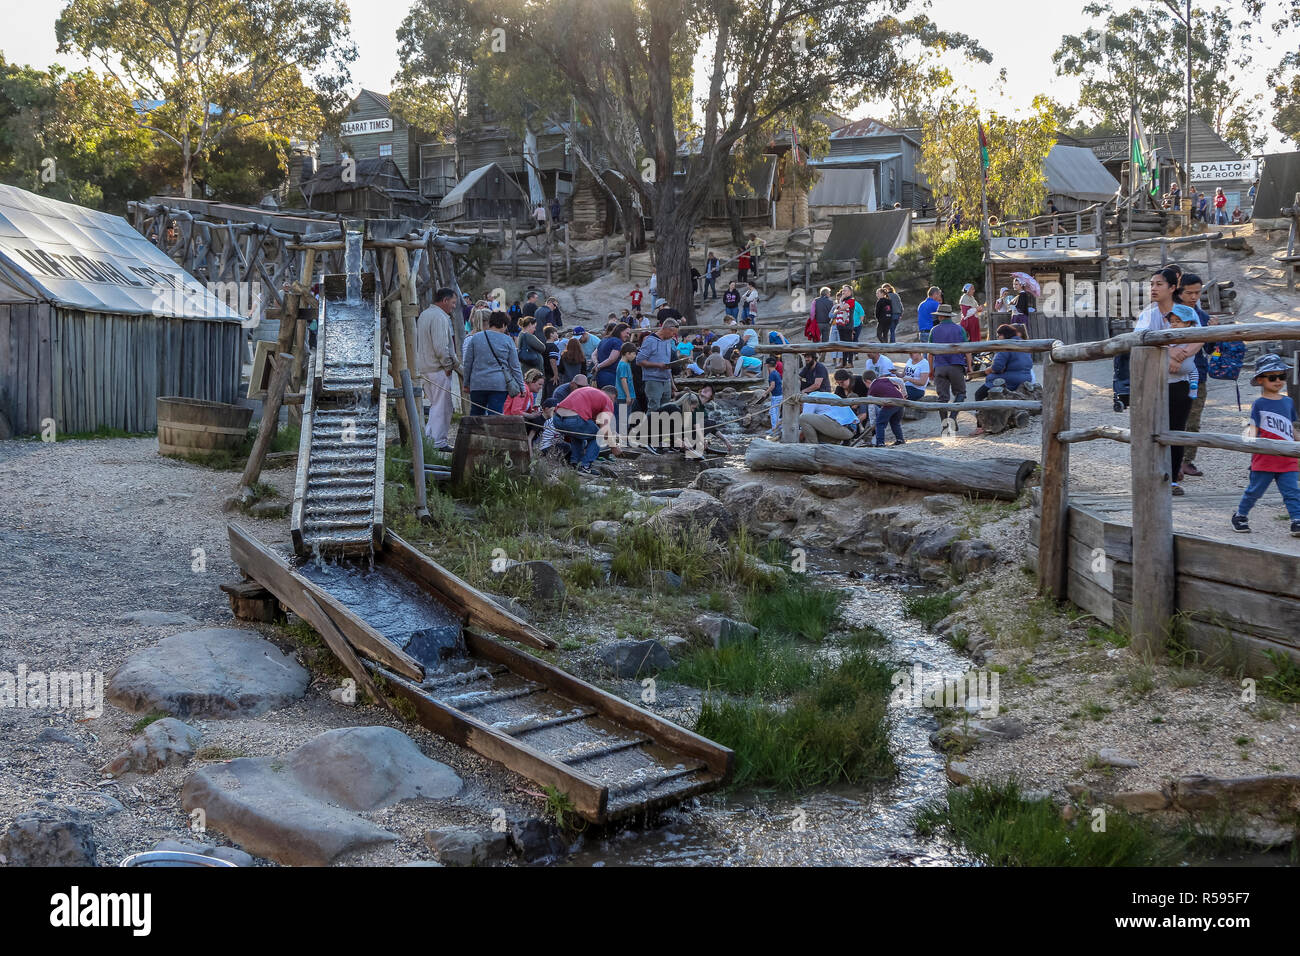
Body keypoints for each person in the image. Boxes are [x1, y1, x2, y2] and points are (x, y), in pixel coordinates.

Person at [1231, 354, 1300, 535]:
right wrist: (1249, 440)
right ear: (1261, 380)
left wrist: (1297, 444)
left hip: (1287, 456)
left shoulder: (1288, 402)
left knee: (1292, 491)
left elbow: (1291, 426)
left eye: (1282, 376)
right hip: (1265, 457)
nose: (1278, 381)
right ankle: (1240, 515)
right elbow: (1253, 426)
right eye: (1272, 377)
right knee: (1255, 490)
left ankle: (1297, 520)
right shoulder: (1259, 403)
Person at [413, 287, 464, 451]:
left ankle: (430, 438)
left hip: (426, 366)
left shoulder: (425, 314)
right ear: (445, 300)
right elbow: (441, 347)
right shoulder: (440, 317)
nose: (454, 306)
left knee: (437, 405)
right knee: (443, 407)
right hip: (437, 368)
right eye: (453, 302)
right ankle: (437, 441)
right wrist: (448, 365)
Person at [1175, 274, 1215, 478]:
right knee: (1172, 419)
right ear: (1179, 291)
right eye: (1189, 292)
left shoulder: (1203, 316)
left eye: (1197, 293)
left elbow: (1209, 348)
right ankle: (1172, 462)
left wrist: (1214, 332)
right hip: (1172, 374)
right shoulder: (1169, 314)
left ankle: (1187, 460)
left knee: (1193, 420)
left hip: (1197, 374)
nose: (1193, 297)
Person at [1164, 304, 1203, 496]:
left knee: (1177, 431)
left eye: (1177, 321)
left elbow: (1201, 338)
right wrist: (1171, 356)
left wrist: (1181, 357)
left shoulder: (1193, 333)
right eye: (1172, 321)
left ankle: (1172, 478)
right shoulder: (1164, 333)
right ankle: (1156, 475)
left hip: (1181, 383)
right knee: (1156, 430)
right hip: (1159, 384)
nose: (1173, 325)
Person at [462, 310, 523, 416]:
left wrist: (466, 383)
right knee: (495, 416)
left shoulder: (475, 338)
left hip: (478, 384)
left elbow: (468, 363)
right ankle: (493, 433)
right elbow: (515, 366)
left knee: (476, 415)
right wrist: (521, 386)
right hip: (498, 384)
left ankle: (476, 433)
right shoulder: (508, 340)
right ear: (503, 324)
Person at [555, 385, 616, 473]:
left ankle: (575, 463)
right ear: (613, 397)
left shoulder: (590, 392)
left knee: (579, 434)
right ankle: (585, 466)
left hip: (557, 419)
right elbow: (604, 428)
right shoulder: (608, 400)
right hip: (573, 420)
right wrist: (613, 447)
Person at [928, 303, 970, 432]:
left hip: (940, 367)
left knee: (942, 398)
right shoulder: (960, 329)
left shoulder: (934, 330)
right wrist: (970, 367)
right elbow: (967, 350)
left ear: (940, 316)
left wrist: (931, 370)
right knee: (961, 393)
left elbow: (930, 353)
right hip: (956, 366)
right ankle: (952, 418)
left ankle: (945, 425)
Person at [637, 318, 678, 410]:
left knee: (666, 409)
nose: (673, 336)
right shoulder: (650, 341)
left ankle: (662, 425)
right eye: (673, 333)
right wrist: (658, 365)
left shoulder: (668, 341)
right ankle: (649, 424)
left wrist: (672, 383)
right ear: (666, 329)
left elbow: (667, 364)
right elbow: (639, 361)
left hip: (666, 380)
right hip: (653, 379)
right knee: (654, 409)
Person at [864, 369, 906, 447]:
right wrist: (904, 393)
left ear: (867, 381)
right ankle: (900, 439)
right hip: (900, 401)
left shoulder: (871, 390)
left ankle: (880, 442)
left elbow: (871, 408)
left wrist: (873, 423)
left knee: (880, 423)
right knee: (895, 422)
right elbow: (900, 380)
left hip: (890, 403)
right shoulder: (885, 379)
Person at [593, 322, 630, 388]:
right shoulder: (618, 342)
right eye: (627, 333)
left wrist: (596, 364)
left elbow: (594, 354)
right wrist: (598, 366)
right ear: (620, 331)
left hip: (600, 376)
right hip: (611, 377)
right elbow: (612, 359)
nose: (628, 335)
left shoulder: (604, 339)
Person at [614, 342, 638, 435]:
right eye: (634, 354)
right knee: (624, 419)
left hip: (627, 395)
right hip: (623, 396)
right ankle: (621, 439)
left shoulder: (626, 364)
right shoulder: (623, 365)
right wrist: (628, 395)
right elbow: (623, 381)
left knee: (626, 418)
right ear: (627, 353)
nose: (635, 356)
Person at [762, 355, 783, 433]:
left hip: (776, 396)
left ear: (767, 365)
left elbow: (772, 386)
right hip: (780, 394)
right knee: (776, 412)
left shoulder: (772, 374)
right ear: (776, 365)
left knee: (773, 412)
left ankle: (774, 429)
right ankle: (779, 426)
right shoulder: (776, 373)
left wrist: (765, 393)